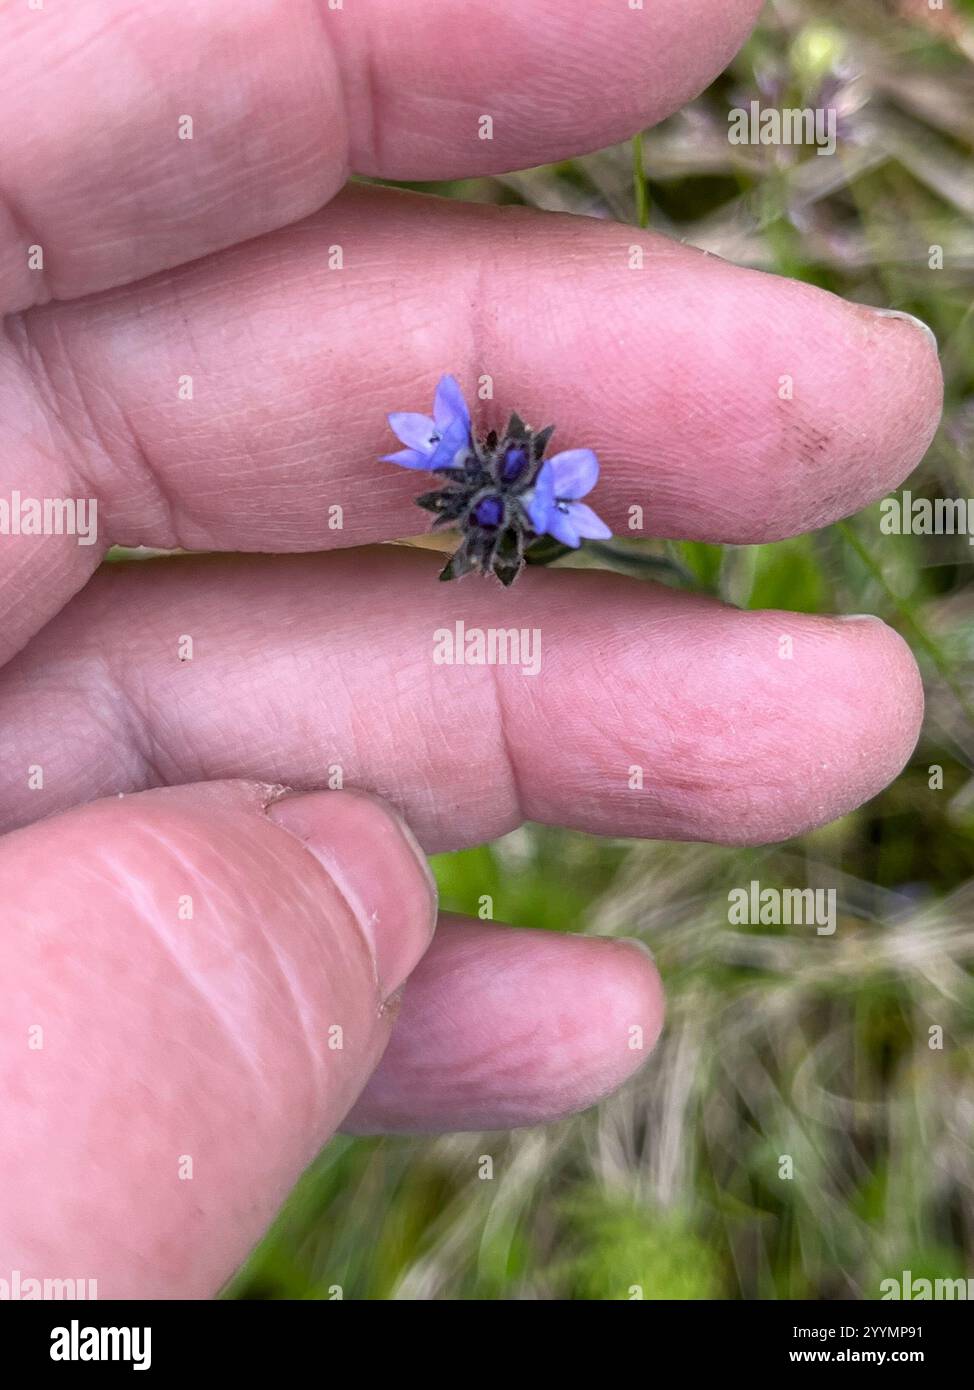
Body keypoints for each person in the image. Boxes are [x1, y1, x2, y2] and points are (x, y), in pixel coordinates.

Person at [0, 0, 940, 1298]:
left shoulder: (519, 491)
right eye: (497, 489)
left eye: (510, 492)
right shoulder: (483, 486)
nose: (496, 490)